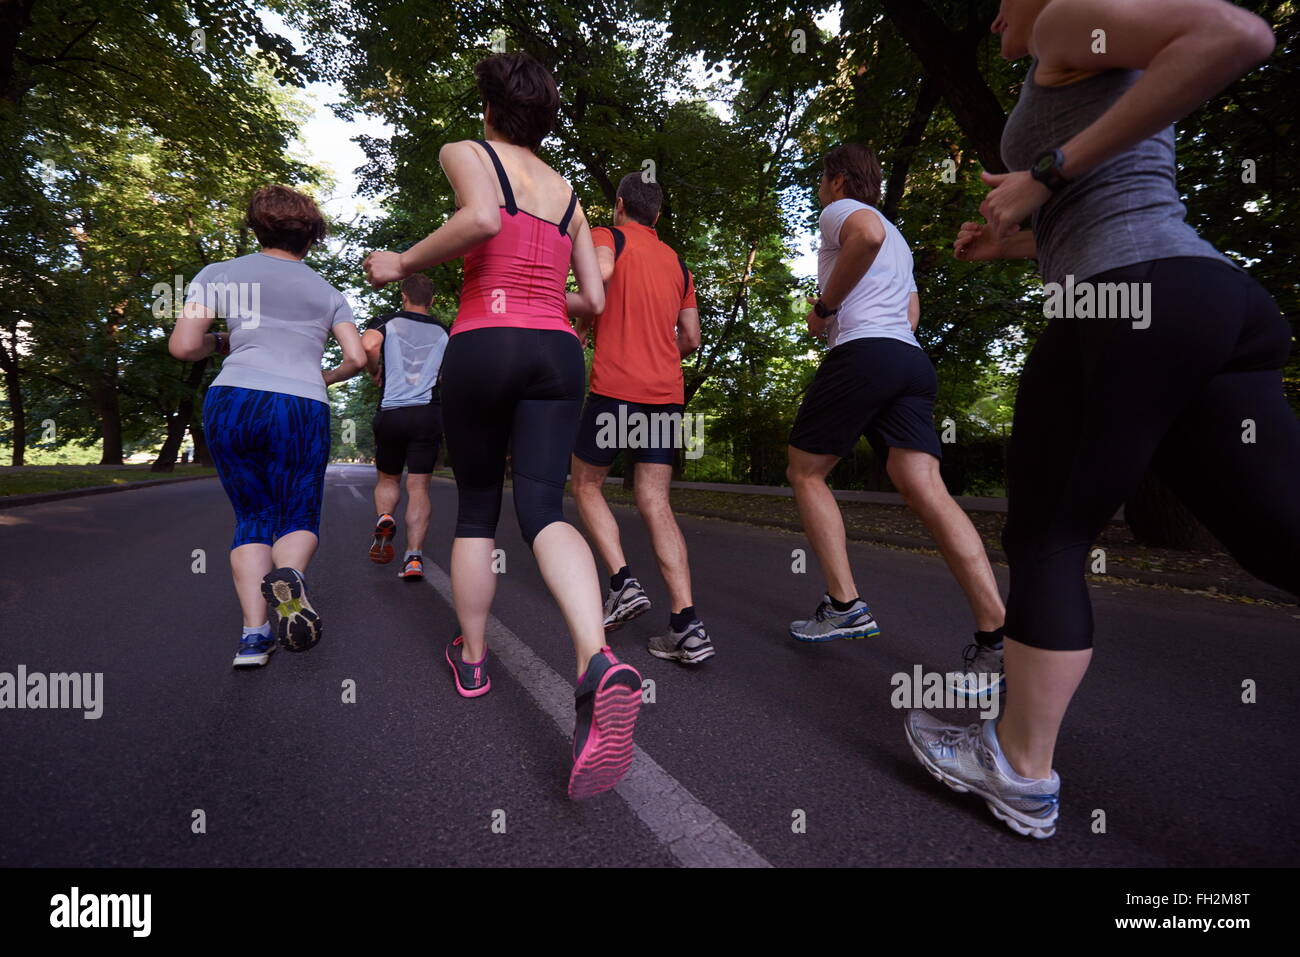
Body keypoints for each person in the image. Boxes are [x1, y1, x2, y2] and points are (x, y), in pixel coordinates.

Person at [907, 0, 1292, 839]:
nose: (995, 14)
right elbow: (1099, 203)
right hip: (1204, 300)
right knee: (1278, 539)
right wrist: (1017, 236)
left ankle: (1018, 769)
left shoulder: (1060, 22)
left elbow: (1241, 35)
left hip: (1131, 297)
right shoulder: (1087, 55)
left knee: (1047, 537)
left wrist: (1041, 173)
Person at [363, 53, 643, 800]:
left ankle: (475, 655)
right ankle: (595, 656)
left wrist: (400, 262)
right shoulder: (572, 194)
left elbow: (482, 218)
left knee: (479, 506)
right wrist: (545, 290)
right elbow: (593, 298)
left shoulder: (468, 151)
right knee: (544, 506)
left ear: (489, 105)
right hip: (555, 349)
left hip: (484, 342)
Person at [787, 144, 1007, 696]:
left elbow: (867, 237)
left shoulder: (844, 212)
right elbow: (910, 311)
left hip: (863, 355)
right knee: (925, 486)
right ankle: (997, 637)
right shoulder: (901, 237)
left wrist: (826, 309)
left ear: (838, 181)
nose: (819, 191)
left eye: (821, 181)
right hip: (909, 359)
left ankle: (844, 604)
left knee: (806, 472)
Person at [169, 185, 366, 668]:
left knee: (252, 516)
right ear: (311, 238)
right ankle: (289, 576)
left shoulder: (219, 274)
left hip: (234, 398)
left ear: (256, 227)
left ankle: (253, 639)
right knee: (297, 512)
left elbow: (183, 345)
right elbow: (357, 357)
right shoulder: (327, 291)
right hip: (300, 402)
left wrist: (222, 342)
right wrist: (327, 375)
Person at [568, 173, 713, 665]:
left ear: (622, 205)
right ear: (658, 215)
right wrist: (657, 354)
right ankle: (687, 624)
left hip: (615, 391)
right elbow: (691, 338)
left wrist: (581, 321)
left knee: (586, 485)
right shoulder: (679, 264)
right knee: (656, 501)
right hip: (665, 396)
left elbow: (600, 275)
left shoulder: (609, 237)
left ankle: (622, 582)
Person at [362, 273, 450, 581]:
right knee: (418, 487)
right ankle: (413, 558)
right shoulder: (444, 331)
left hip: (392, 413)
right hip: (427, 415)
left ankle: (385, 517)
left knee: (388, 479)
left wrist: (376, 371)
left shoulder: (386, 320)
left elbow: (370, 345)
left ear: (403, 296)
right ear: (432, 300)